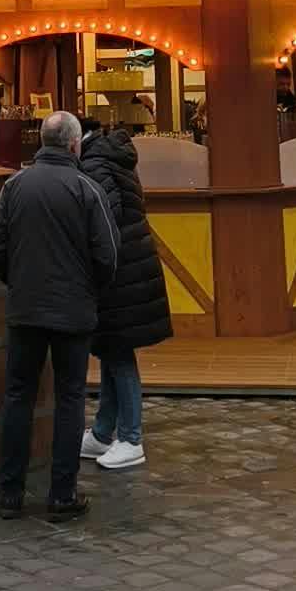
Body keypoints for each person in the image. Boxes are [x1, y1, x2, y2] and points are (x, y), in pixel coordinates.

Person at [0, 110, 119, 522]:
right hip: (73, 312)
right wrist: (90, 290)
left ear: (42, 140)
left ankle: (10, 493)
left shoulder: (14, 186)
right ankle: (62, 494)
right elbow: (107, 254)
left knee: (17, 396)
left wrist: (16, 281)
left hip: (25, 309)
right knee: (70, 398)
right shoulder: (85, 189)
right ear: (75, 144)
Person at [79, 125, 172, 470]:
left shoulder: (94, 164)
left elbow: (107, 218)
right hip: (131, 265)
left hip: (120, 270)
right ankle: (103, 431)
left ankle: (131, 437)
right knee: (111, 348)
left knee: (118, 353)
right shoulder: (113, 158)